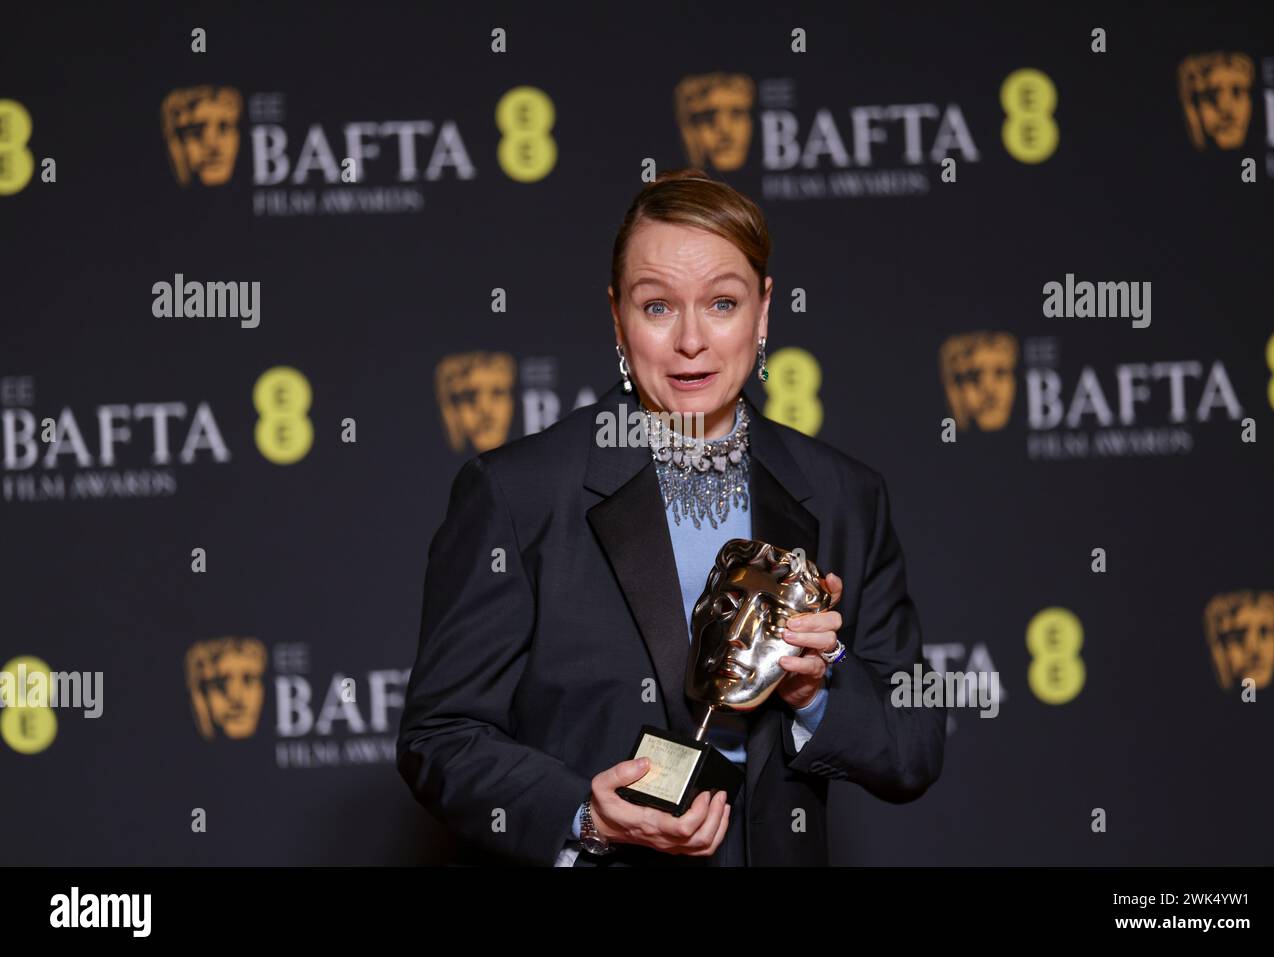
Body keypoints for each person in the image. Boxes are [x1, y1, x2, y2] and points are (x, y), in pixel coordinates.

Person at [396, 168, 946, 866]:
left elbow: (915, 743)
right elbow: (439, 735)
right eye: (658, 307)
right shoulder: (519, 492)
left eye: (722, 302)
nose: (692, 340)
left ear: (764, 310)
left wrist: (818, 688)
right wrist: (584, 813)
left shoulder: (843, 495)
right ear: (617, 316)